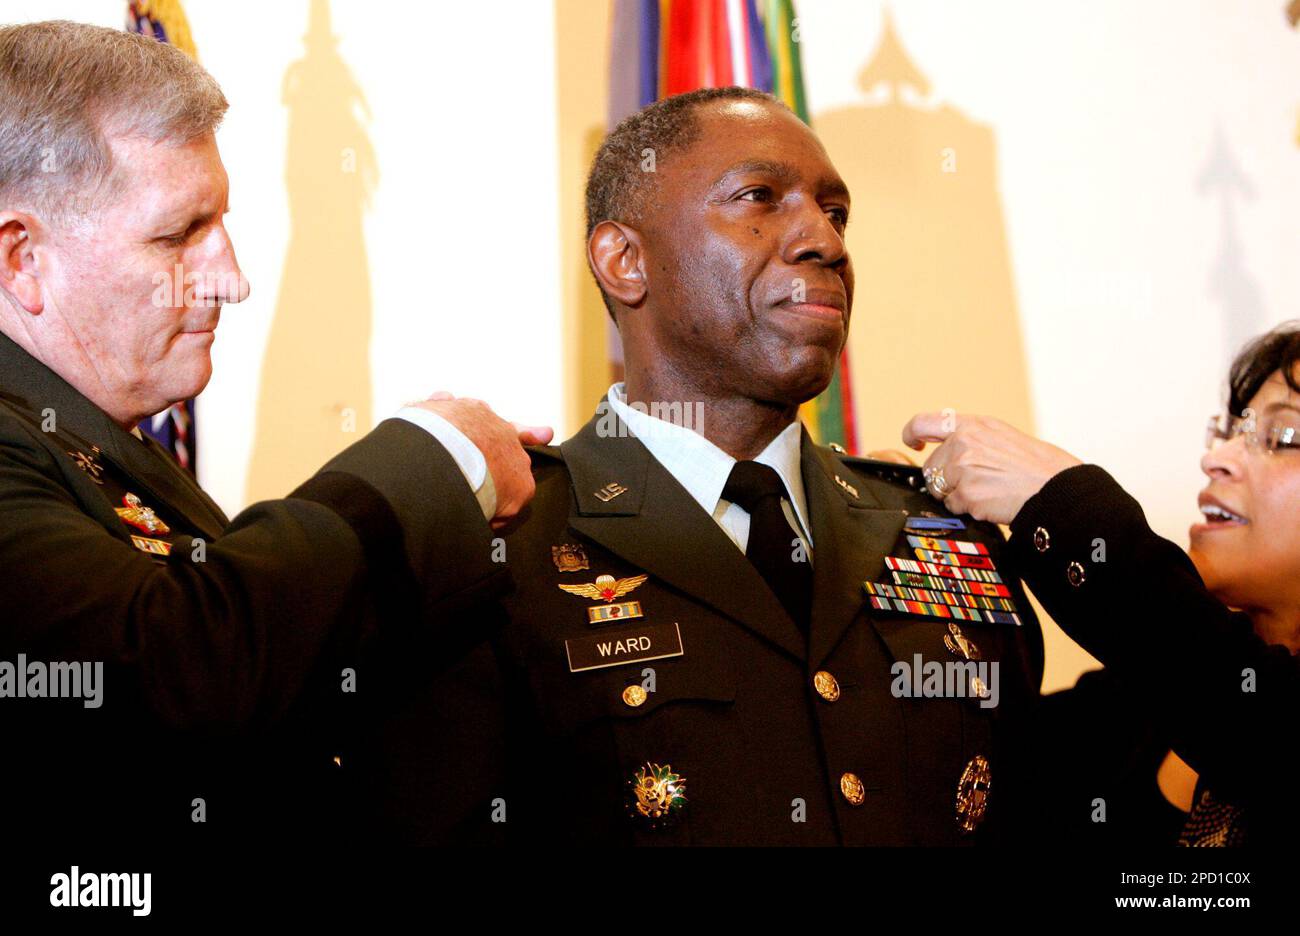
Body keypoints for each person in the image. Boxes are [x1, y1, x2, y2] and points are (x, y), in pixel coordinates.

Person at [361, 87, 1045, 845]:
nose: (825, 240)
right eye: (759, 197)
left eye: (836, 212)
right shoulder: (495, 545)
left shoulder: (940, 535)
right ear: (625, 261)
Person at [0, 21, 547, 841]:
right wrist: (431, 461)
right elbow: (173, 672)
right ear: (22, 260)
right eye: (178, 234)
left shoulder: (109, 448)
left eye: (219, 224)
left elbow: (284, 693)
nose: (232, 277)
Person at [901, 321, 1300, 846]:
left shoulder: (1238, 700)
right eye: (1229, 430)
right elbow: (977, 761)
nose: (1216, 458)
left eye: (1280, 437)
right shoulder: (1130, 706)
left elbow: (1248, 710)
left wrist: (1059, 499)